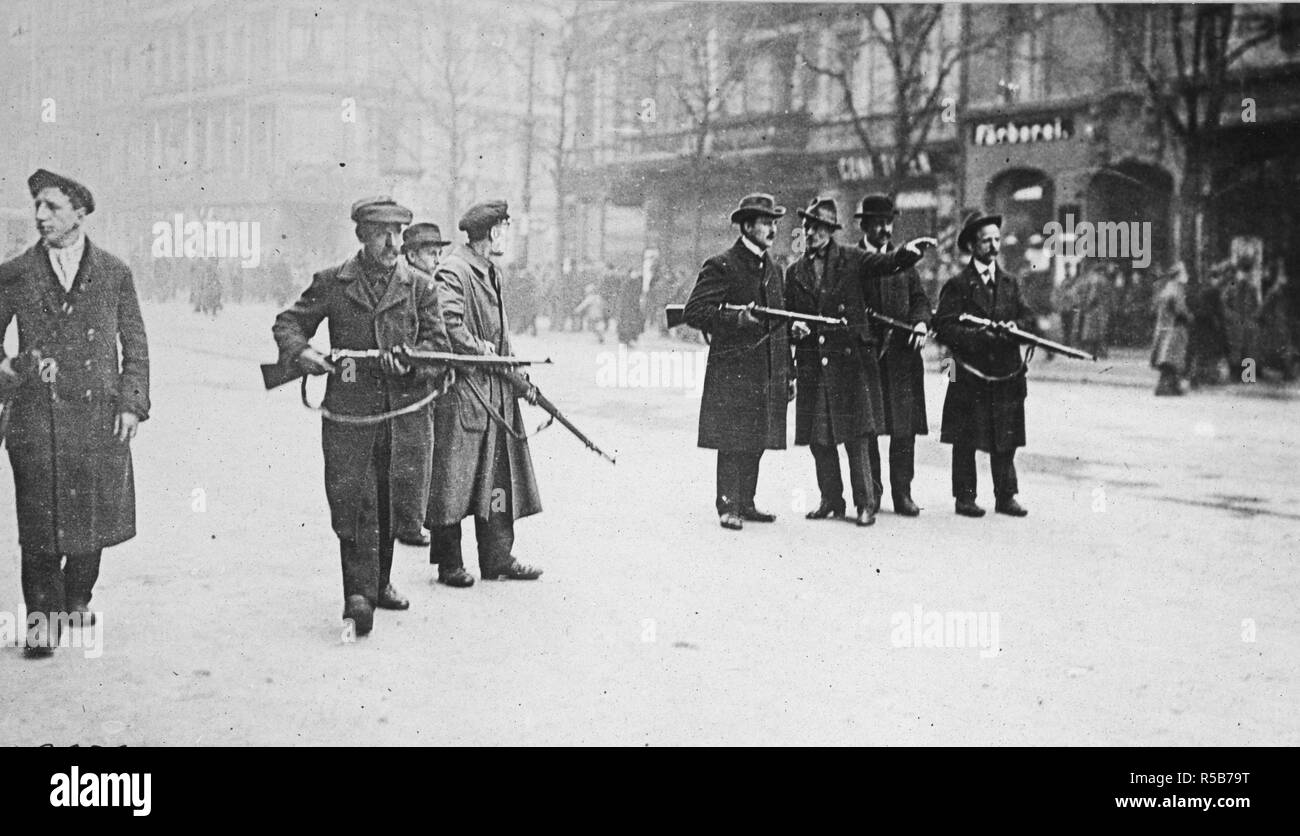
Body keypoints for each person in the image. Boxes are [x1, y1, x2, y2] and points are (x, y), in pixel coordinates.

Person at [273, 197, 444, 636]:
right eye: (380, 233)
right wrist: (303, 352)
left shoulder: (421, 287)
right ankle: (357, 594)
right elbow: (289, 323)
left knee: (390, 500)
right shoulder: (333, 282)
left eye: (397, 233)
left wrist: (411, 363)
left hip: (401, 415)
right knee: (353, 502)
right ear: (361, 236)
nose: (391, 242)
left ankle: (380, 581)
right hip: (348, 415)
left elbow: (438, 349)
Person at [0, 169, 150, 657]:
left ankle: (76, 595)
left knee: (94, 517)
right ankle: (44, 618)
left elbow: (136, 347)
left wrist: (131, 405)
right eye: (37, 207)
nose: (40, 216)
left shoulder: (113, 271)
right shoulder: (15, 273)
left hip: (98, 416)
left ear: (80, 213)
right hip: (35, 417)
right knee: (39, 519)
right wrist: (17, 367)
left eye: (52, 207)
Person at [785, 196, 933, 527]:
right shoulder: (794, 273)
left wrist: (909, 253)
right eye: (808, 227)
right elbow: (787, 319)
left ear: (831, 231)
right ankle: (831, 500)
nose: (812, 233)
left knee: (857, 435)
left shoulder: (851, 259)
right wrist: (795, 332)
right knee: (818, 438)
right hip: (813, 361)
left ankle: (866, 502)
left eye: (819, 228)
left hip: (848, 361)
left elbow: (887, 264)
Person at [426, 200, 543, 587]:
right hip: (464, 393)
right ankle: (449, 563)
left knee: (496, 482)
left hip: (494, 393)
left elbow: (501, 338)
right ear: (493, 232)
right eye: (505, 228)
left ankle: (497, 557)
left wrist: (520, 380)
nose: (506, 235)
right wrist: (482, 351)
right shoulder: (455, 271)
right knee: (454, 481)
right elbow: (447, 324)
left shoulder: (489, 271)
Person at [685, 194, 793, 530]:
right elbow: (694, 312)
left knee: (757, 436)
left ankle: (746, 501)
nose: (772, 229)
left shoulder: (774, 270)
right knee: (733, 438)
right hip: (733, 370)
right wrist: (736, 319)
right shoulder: (722, 264)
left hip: (766, 369)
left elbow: (780, 325)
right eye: (765, 222)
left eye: (774, 223)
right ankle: (727, 504)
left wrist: (789, 371)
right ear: (747, 226)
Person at [933, 211, 1035, 519]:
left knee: (1005, 436)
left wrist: (1015, 327)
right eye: (985, 241)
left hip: (1005, 372)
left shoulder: (1010, 284)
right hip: (969, 373)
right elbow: (945, 328)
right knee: (965, 437)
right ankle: (965, 498)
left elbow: (1029, 319)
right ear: (972, 246)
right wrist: (979, 336)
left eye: (996, 239)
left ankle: (1006, 496)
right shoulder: (957, 285)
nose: (992, 246)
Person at [855, 194, 932, 517]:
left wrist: (920, 323)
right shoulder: (853, 261)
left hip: (902, 358)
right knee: (868, 429)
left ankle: (903, 494)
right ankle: (871, 497)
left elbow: (920, 300)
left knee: (904, 429)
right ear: (865, 225)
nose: (886, 230)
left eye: (889, 223)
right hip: (868, 358)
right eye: (879, 224)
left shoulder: (907, 265)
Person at [1150, 261, 1192, 396]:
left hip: (1164, 328)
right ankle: (1168, 387)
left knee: (1167, 360)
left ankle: (1168, 386)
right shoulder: (1176, 289)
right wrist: (1190, 317)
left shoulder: (1166, 288)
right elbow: (1180, 310)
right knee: (1172, 361)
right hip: (1174, 329)